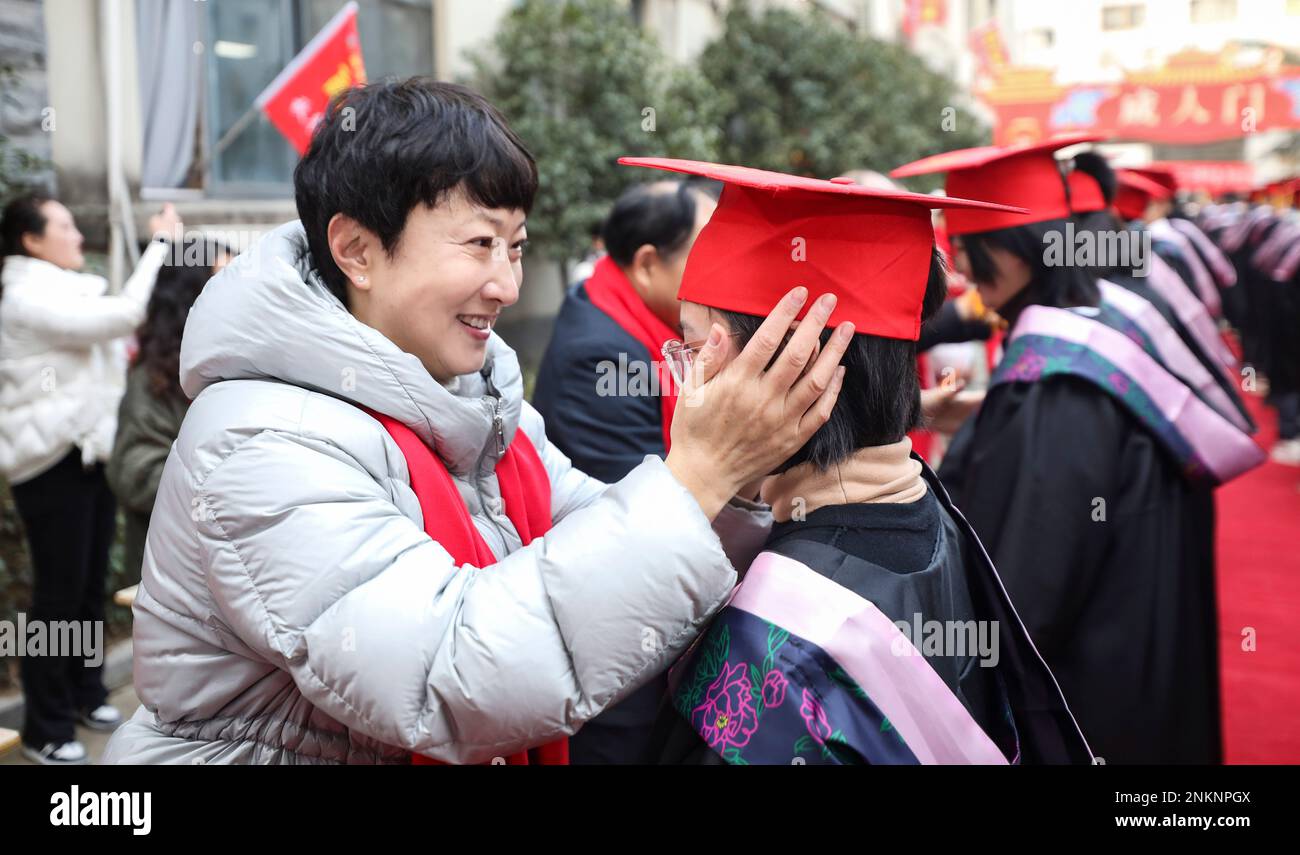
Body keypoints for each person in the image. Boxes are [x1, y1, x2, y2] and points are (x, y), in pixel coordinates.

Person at [101, 79, 854, 765]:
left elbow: (592, 531)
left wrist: (736, 486)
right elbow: (447, 675)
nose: (506, 283)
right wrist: (696, 477)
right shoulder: (262, 436)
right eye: (479, 243)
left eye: (517, 246)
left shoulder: (475, 396)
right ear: (358, 250)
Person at [616, 157, 1092, 765]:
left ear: (786, 371)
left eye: (689, 345)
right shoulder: (931, 510)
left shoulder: (768, 665)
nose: (682, 377)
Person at [893, 135, 1264, 764]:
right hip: (1147, 645)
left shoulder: (1056, 389)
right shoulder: (1110, 320)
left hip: (1094, 690)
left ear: (1008, 257)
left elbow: (1022, 597)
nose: (963, 274)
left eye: (966, 252)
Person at [533, 179, 726, 763]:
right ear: (647, 264)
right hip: (622, 669)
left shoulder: (617, 313)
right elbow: (636, 519)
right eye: (709, 253)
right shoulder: (604, 355)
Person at [0, 193, 181, 764]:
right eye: (66, 225)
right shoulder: (23, 297)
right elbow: (125, 315)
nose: (78, 235)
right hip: (49, 459)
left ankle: (85, 691)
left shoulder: (66, 288)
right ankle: (44, 725)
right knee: (56, 595)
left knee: (86, 590)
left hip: (89, 454)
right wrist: (160, 246)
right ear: (32, 240)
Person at [106, 235, 232, 583]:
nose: (239, 295)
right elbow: (136, 474)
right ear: (189, 298)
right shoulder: (155, 379)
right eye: (221, 281)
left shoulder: (247, 365)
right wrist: (232, 483)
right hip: (172, 573)